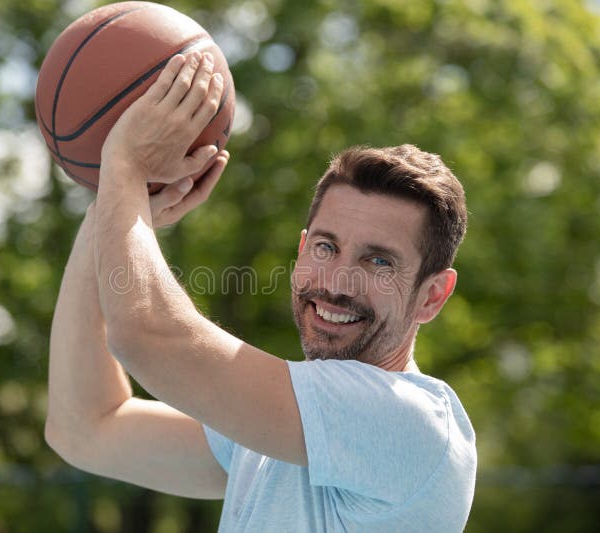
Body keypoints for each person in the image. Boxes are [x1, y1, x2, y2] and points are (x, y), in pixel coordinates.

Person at [45, 50, 477, 532]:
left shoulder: (405, 423)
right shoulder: (278, 435)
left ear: (432, 295)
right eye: (326, 247)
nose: (336, 282)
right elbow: (86, 428)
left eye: (379, 261)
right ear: (301, 249)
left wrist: (124, 166)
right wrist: (106, 211)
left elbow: (146, 335)